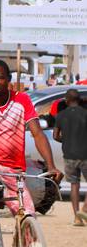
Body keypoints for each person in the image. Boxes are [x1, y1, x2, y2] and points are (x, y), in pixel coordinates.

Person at [0, 59, 62, 239]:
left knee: (27, 212)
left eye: (0, 78)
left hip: (13, 168)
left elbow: (38, 134)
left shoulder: (22, 100)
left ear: (8, 79)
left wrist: (51, 166)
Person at [53, 88, 87, 225]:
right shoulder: (85, 114)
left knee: (74, 184)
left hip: (68, 155)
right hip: (85, 154)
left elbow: (55, 136)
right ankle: (84, 209)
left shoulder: (60, 115)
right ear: (79, 100)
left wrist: (65, 141)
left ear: (67, 101)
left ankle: (77, 217)